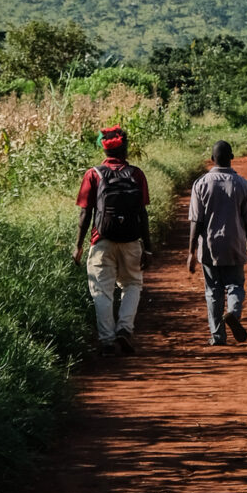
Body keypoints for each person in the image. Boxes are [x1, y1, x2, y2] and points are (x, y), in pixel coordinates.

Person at [73, 125, 152, 355]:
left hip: (102, 240)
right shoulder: (136, 174)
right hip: (131, 241)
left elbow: (85, 213)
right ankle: (124, 330)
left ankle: (107, 342)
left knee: (102, 290)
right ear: (125, 148)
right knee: (133, 284)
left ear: (104, 150)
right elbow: (142, 214)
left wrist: (78, 245)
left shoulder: (93, 174)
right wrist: (148, 249)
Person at [187, 139, 247, 347]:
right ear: (232, 158)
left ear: (212, 159)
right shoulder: (243, 184)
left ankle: (218, 336)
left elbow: (196, 221)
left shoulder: (200, 184)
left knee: (213, 291)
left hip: (209, 246)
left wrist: (191, 251)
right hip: (235, 243)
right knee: (235, 285)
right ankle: (233, 312)